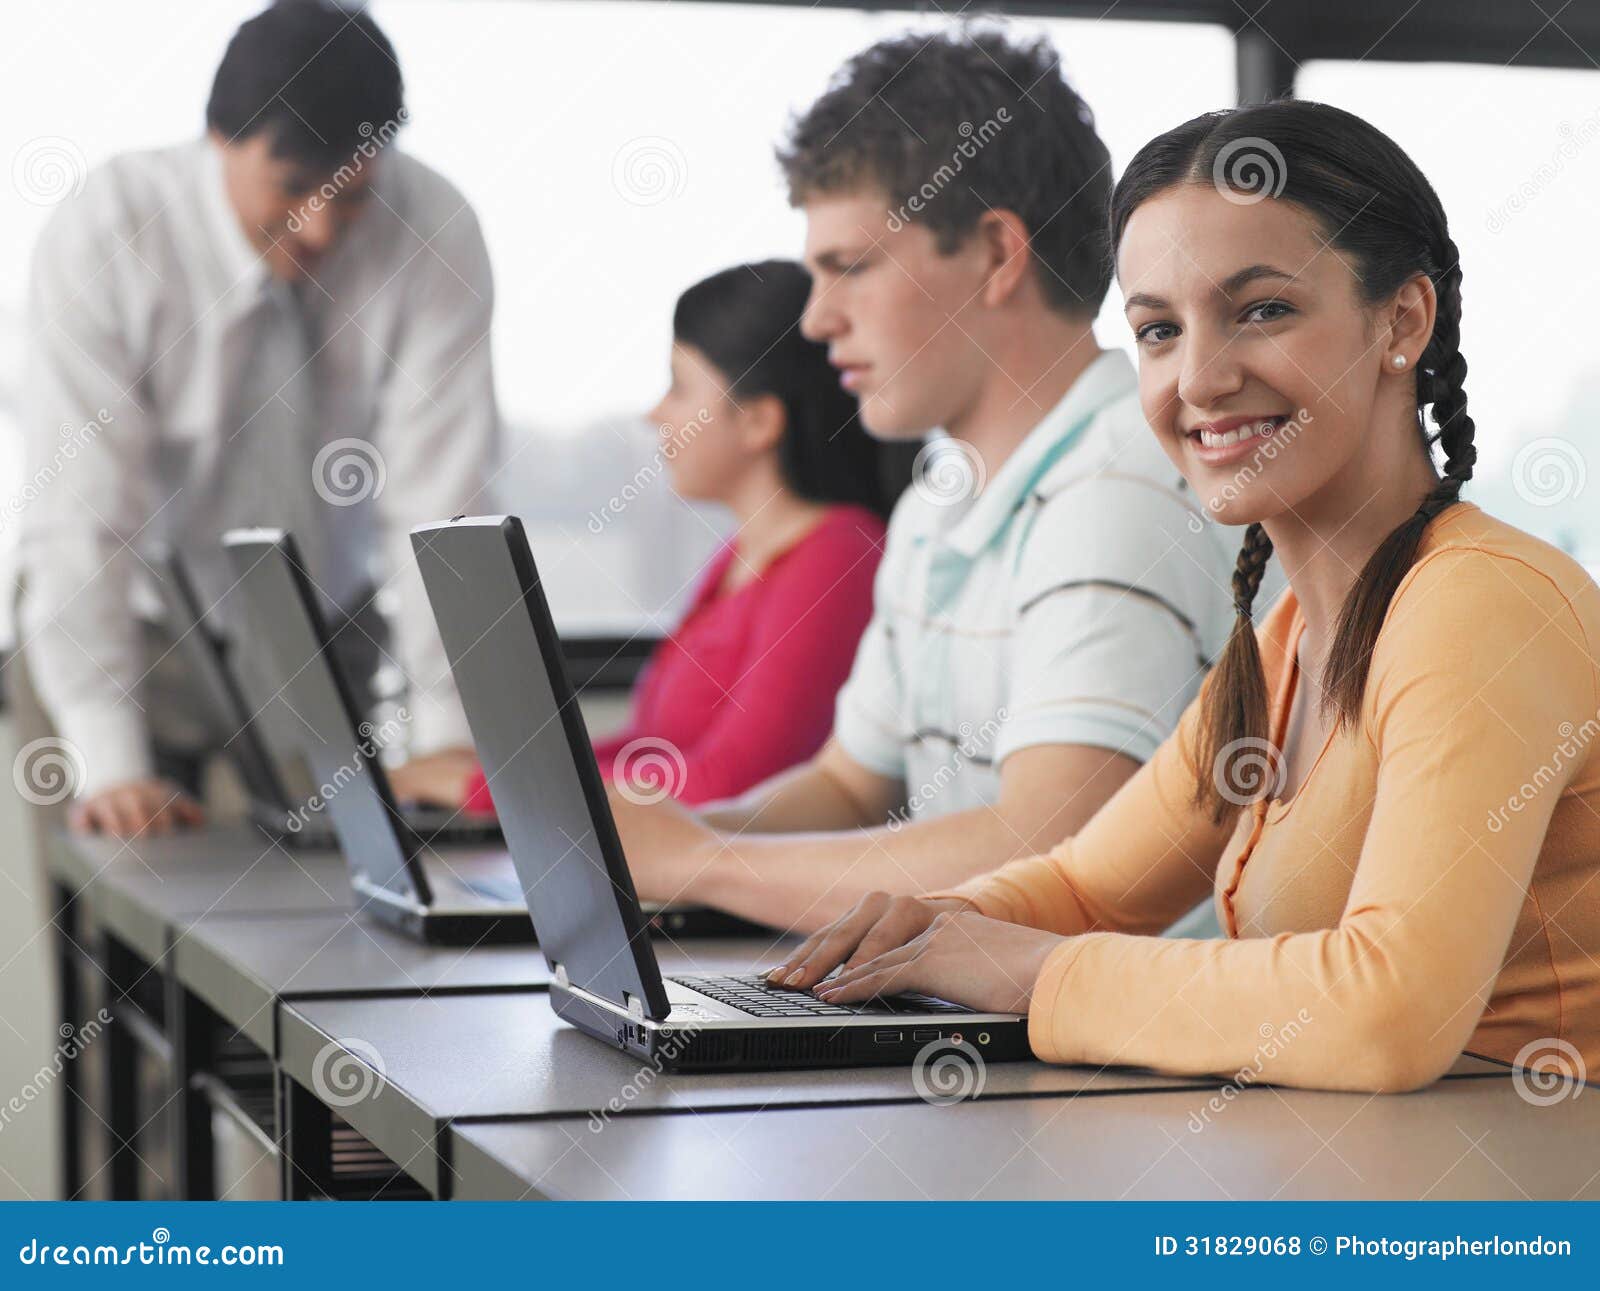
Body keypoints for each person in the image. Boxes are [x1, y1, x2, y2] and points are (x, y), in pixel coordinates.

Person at [769, 100, 1600, 1094]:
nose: (1197, 379)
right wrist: (926, 928)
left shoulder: (1480, 604)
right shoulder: (1288, 640)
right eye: (1157, 330)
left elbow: (1390, 1013)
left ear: (1401, 321)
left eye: (1262, 310)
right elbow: (1087, 886)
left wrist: (1032, 970)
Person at [606, 29, 1262, 934]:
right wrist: (657, 848)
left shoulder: (1119, 483)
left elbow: (1043, 851)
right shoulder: (935, 503)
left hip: (1124, 1051)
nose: (818, 318)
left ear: (996, 255)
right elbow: (847, 782)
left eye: (849, 267)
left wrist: (700, 863)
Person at [11, 0, 497, 837]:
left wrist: (451, 738)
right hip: (129, 616)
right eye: (293, 187)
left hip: (323, 625)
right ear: (219, 141)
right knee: (121, 915)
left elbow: (440, 506)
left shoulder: (433, 229)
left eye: (349, 198)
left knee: (332, 905)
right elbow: (83, 508)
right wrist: (113, 762)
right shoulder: (111, 228)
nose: (318, 228)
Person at [390, 261, 897, 810]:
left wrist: (483, 791)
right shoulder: (740, 555)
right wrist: (507, 770)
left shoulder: (838, 557)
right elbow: (653, 753)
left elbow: (728, 786)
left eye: (679, 388)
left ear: (758, 422)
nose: (656, 414)